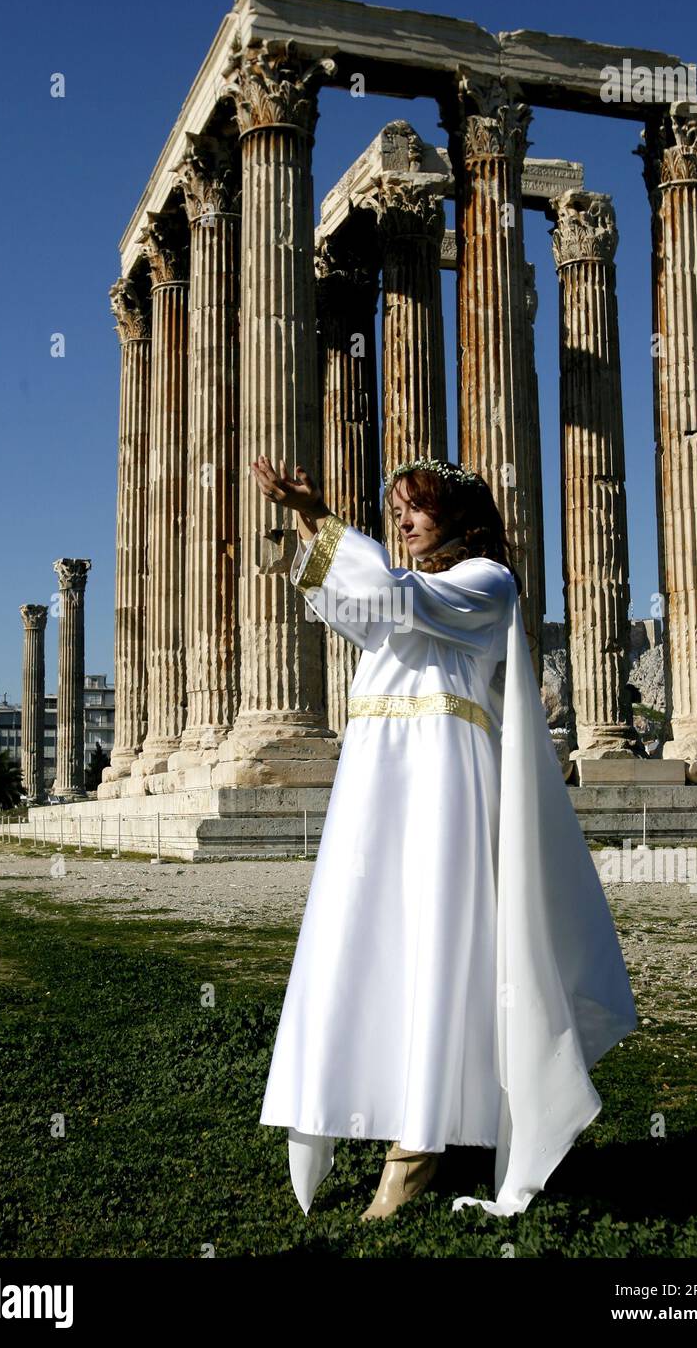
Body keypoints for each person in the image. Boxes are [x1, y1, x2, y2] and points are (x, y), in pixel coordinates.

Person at [251, 452, 637, 1221]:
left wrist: (325, 519)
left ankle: (417, 1149)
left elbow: (391, 598)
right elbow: (354, 610)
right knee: (363, 935)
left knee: (436, 939)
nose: (403, 519)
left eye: (417, 506)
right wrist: (304, 523)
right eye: (397, 507)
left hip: (440, 775)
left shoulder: (487, 583)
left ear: (459, 517)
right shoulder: (415, 596)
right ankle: (357, 1107)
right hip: (376, 774)